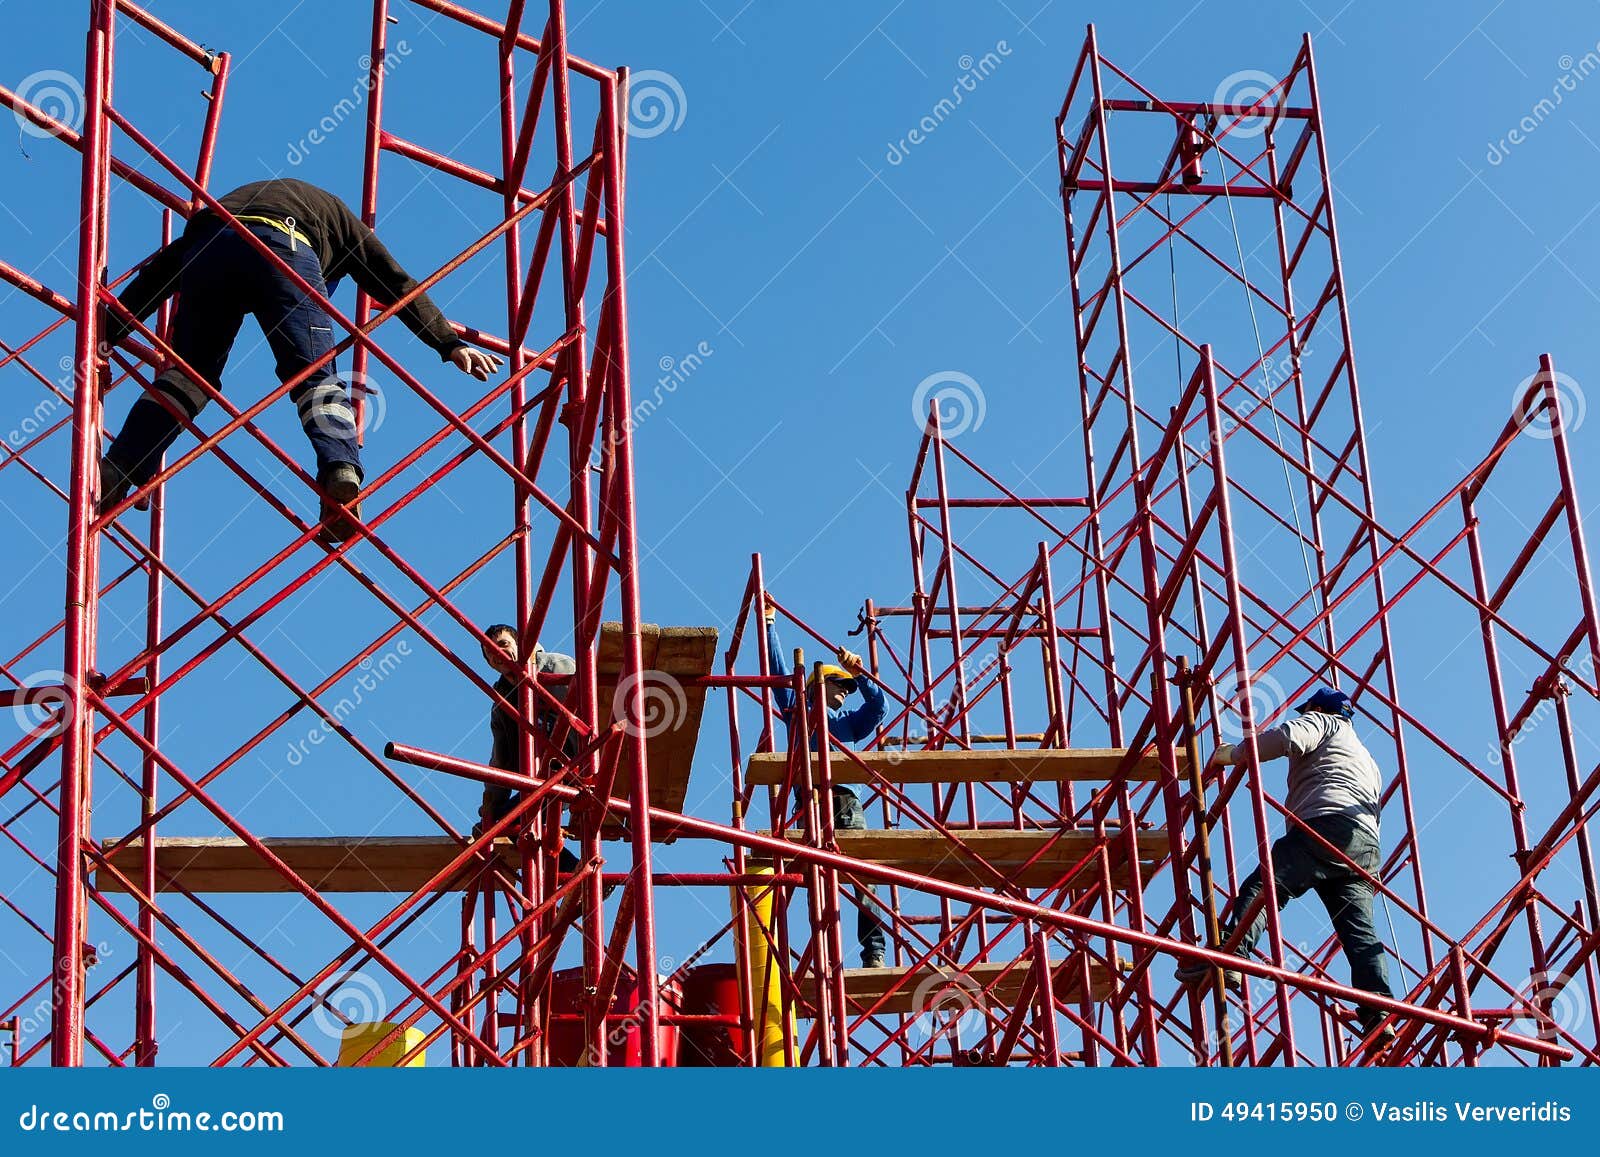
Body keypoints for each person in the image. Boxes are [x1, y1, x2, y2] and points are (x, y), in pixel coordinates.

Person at [97, 177, 503, 539]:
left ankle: (121, 465)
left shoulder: (241, 204)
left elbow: (162, 271)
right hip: (284, 244)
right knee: (315, 375)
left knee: (189, 375)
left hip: (208, 245)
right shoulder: (341, 222)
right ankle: (340, 474)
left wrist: (109, 328)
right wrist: (449, 343)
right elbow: (396, 282)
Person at [1177, 687, 1396, 1051]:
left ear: (1315, 708)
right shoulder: (1367, 758)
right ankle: (1378, 1012)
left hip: (1325, 826)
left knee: (1266, 888)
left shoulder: (1325, 723)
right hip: (1364, 848)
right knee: (1359, 934)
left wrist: (1232, 754)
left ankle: (1231, 955)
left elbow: (1286, 738)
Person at [764, 599, 889, 969]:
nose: (845, 693)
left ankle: (873, 951)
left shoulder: (848, 724)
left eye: (849, 690)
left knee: (865, 877)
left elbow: (879, 708)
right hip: (811, 801)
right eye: (842, 685)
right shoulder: (797, 711)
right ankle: (818, 957)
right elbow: (778, 671)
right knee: (817, 879)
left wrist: (861, 675)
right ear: (823, 682)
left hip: (846, 801)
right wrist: (769, 624)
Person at [477, 623, 585, 882]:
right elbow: (501, 760)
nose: (497, 655)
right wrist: (491, 806)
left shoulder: (558, 667)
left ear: (519, 644)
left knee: (520, 815)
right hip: (542, 780)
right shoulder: (502, 702)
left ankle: (574, 876)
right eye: (490, 654)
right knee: (505, 821)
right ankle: (575, 873)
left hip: (577, 764)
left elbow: (595, 708)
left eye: (502, 645)